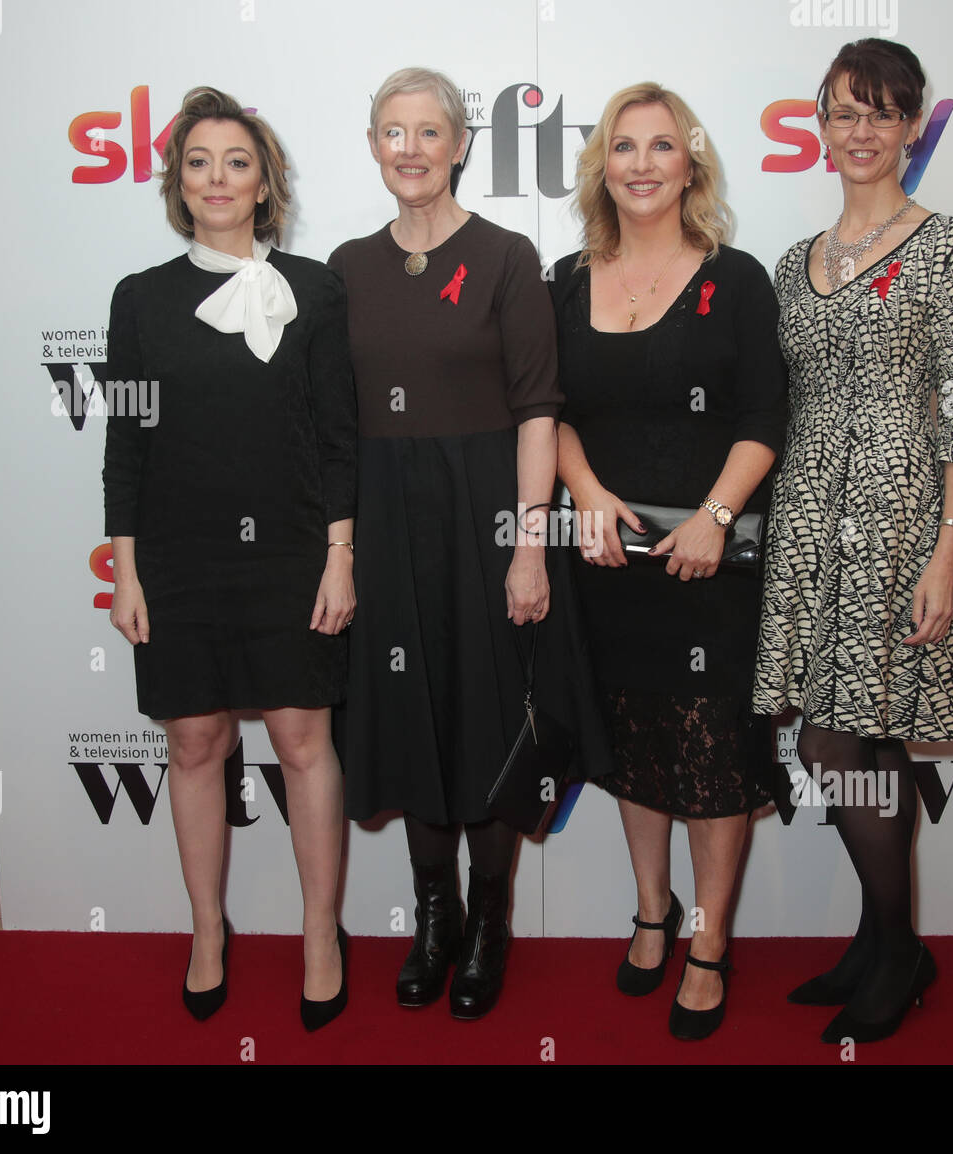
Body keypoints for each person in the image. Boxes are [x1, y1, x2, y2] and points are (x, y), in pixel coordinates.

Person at [328, 66, 607, 1020]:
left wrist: (529, 547)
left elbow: (538, 410)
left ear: (459, 147)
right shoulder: (347, 267)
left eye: (428, 132)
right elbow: (331, 421)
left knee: (487, 719)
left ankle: (490, 925)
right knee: (412, 720)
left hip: (489, 513)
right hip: (386, 518)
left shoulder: (505, 256)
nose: (409, 149)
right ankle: (433, 919)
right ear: (373, 147)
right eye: (392, 132)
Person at [102, 86, 356, 1030]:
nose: (217, 178)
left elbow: (340, 437)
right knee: (195, 743)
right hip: (177, 558)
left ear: (264, 183)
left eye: (237, 162)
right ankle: (208, 931)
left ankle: (319, 936)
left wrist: (340, 556)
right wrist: (127, 572)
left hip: (293, 553)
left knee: (302, 744)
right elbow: (125, 446)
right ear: (179, 181)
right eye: (199, 161)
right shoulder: (139, 299)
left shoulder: (317, 289)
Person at [754, 38, 953, 1043]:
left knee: (843, 734)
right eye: (843, 112)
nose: (860, 131)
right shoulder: (787, 260)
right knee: (847, 728)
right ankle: (879, 936)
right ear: (821, 123)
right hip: (808, 511)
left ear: (910, 128)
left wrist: (951, 547)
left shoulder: (949, 243)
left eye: (881, 114)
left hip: (897, 518)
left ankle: (898, 947)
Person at [549, 83, 787, 1040]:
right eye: (623, 147)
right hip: (608, 562)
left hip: (709, 565)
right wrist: (587, 495)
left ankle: (710, 941)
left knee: (712, 754)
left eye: (660, 146)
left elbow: (762, 416)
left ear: (691, 163)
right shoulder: (566, 279)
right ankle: (652, 911)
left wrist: (716, 515)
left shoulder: (737, 277)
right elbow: (550, 411)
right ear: (601, 165)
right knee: (636, 742)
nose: (641, 164)